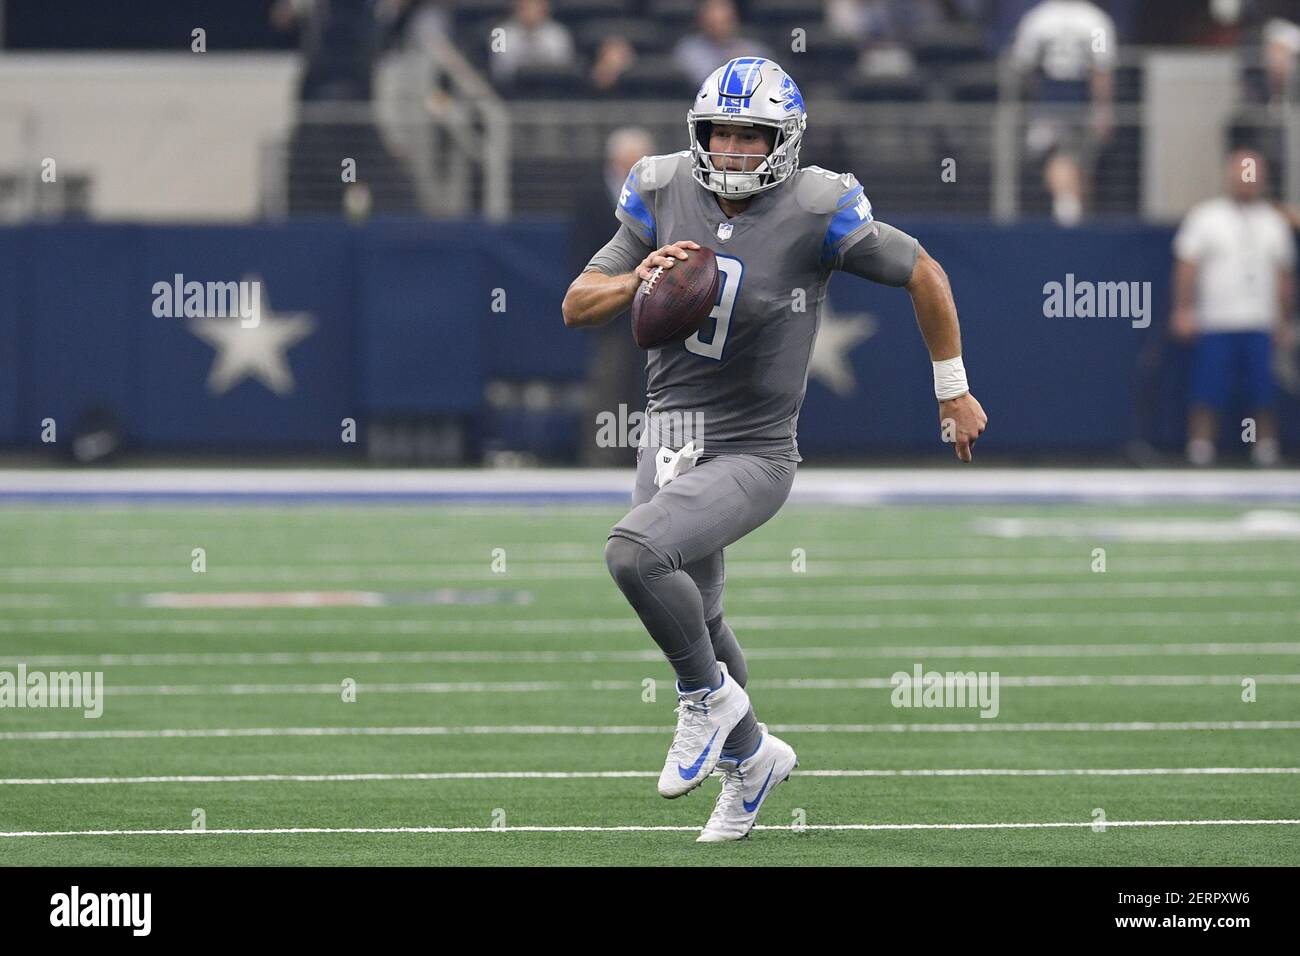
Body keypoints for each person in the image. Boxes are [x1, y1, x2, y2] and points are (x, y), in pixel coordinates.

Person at [561, 57, 987, 842]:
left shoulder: (819, 205)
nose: (730, 148)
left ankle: (706, 703)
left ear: (781, 142)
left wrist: (951, 387)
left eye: (749, 136)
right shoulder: (659, 188)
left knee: (634, 556)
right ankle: (751, 761)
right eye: (719, 131)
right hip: (668, 433)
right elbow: (576, 303)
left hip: (753, 448)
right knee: (705, 618)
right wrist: (635, 280)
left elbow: (923, 270)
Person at [1171, 148, 1295, 467]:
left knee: (1262, 390)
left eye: (1252, 173)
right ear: (1229, 176)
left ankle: (1262, 447)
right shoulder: (1206, 217)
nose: (1247, 180)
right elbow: (1187, 266)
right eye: (1242, 172)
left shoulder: (1273, 221)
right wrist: (1184, 308)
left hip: (1259, 320)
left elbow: (1283, 275)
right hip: (1217, 319)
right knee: (1208, 387)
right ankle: (1201, 447)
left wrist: (1283, 319)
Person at [1008, 0, 1118, 226]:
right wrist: (1103, 109)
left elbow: (1023, 65)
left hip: (1055, 94)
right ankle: (1069, 209)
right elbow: (1101, 68)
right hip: (1072, 95)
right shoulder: (1094, 20)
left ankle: (1072, 211)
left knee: (1073, 159)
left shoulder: (1038, 18)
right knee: (1064, 155)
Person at [673, 0, 772, 86]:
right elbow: (703, 81)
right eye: (714, 22)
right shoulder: (689, 50)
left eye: (725, 21)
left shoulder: (752, 49)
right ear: (702, 20)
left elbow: (769, 77)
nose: (720, 27)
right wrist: (732, 64)